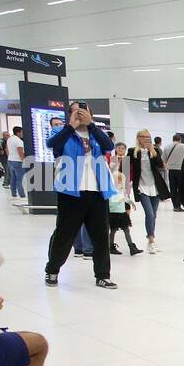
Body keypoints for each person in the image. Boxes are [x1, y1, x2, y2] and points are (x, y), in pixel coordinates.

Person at [43, 101, 118, 289]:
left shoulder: (95, 134)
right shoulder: (61, 132)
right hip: (71, 192)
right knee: (64, 234)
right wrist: (70, 126)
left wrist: (91, 125)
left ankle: (103, 275)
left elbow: (108, 146)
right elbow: (52, 144)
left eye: (84, 111)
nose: (81, 114)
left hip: (98, 191)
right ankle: (52, 270)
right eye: (76, 111)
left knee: (100, 236)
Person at [128, 129, 169, 253]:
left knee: (154, 215)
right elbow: (125, 168)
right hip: (141, 186)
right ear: (138, 138)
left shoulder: (155, 151)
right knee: (149, 214)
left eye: (148, 137)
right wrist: (124, 188)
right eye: (143, 136)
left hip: (155, 187)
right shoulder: (132, 151)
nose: (146, 139)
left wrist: (152, 151)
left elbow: (161, 165)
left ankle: (151, 237)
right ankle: (151, 240)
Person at [165, 133, 184, 211]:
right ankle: (181, 204)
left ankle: (175, 206)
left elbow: (164, 160)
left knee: (173, 188)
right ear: (180, 139)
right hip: (181, 170)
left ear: (173, 139)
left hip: (171, 170)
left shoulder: (167, 147)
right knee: (181, 188)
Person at [7, 126, 26, 200]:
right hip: (18, 161)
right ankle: (22, 194)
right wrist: (24, 160)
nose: (22, 134)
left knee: (13, 178)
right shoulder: (19, 141)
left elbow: (7, 149)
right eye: (22, 132)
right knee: (20, 179)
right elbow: (20, 152)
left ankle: (13, 193)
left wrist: (10, 156)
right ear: (18, 132)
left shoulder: (10, 139)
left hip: (10, 160)